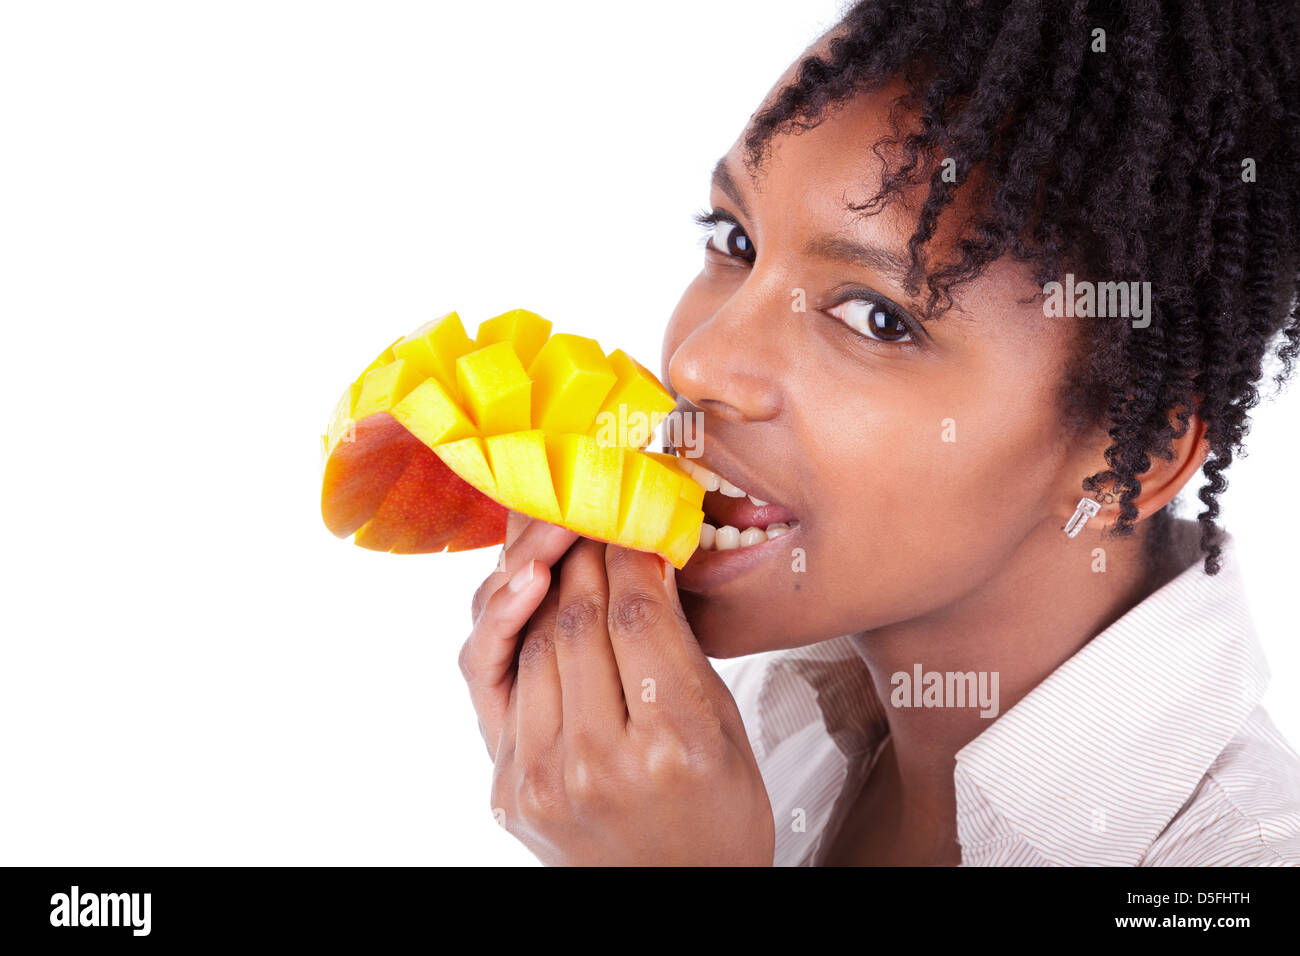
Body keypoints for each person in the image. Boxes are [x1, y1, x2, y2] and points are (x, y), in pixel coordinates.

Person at [457, 0, 1300, 865]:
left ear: (1136, 456)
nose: (702, 364)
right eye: (735, 239)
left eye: (878, 318)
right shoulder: (724, 745)